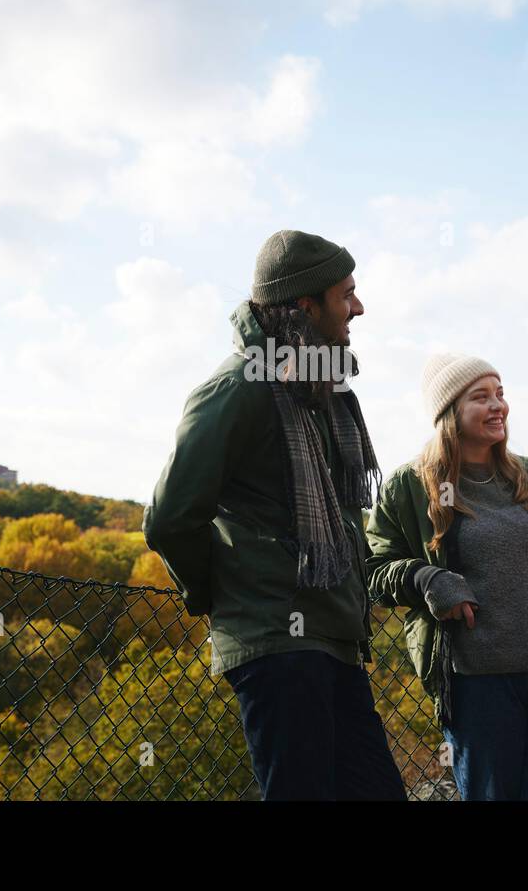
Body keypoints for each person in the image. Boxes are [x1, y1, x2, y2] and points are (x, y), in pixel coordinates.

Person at [143, 229, 406, 800]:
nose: (358, 307)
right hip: (278, 644)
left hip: (333, 638)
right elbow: (169, 520)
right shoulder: (237, 388)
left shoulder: (318, 391)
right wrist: (222, 590)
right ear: (306, 305)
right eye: (346, 294)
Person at [365, 354, 528, 800]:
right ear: (449, 414)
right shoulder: (409, 486)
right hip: (478, 684)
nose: (498, 405)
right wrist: (427, 579)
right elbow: (373, 571)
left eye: (500, 394)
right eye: (481, 397)